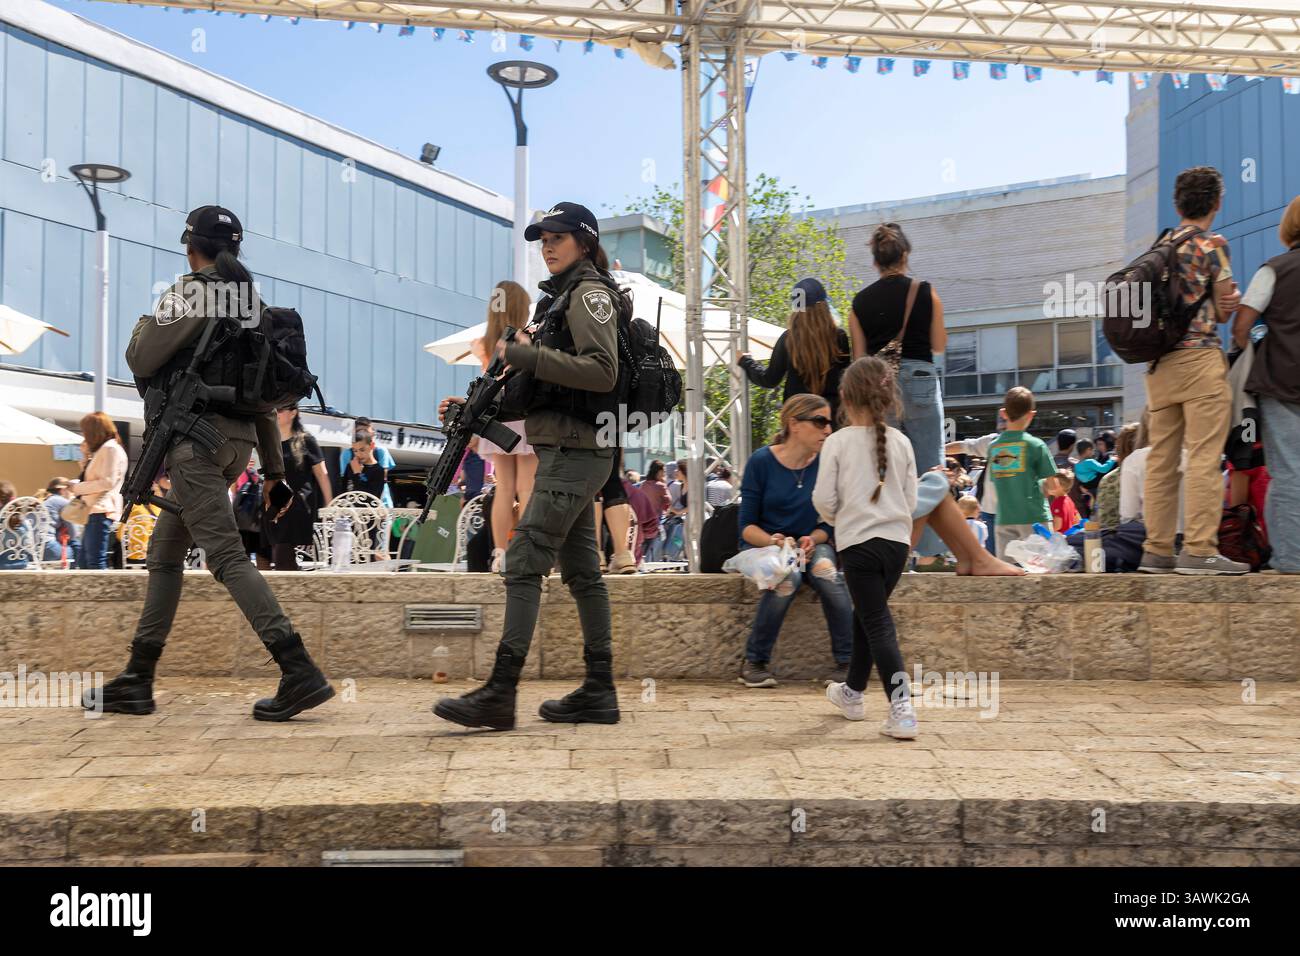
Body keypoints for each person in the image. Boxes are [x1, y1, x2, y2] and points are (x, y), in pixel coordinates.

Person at [86, 203, 334, 721]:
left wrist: (142, 321)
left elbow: (140, 357)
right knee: (164, 553)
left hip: (196, 446)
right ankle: (138, 676)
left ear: (189, 245)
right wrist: (271, 473)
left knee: (225, 558)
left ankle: (297, 668)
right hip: (234, 447)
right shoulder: (249, 301)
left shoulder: (191, 293)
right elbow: (263, 400)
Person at [433, 201, 621, 730]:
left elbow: (601, 372)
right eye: (543, 238)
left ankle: (500, 691)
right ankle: (599, 690)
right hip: (563, 447)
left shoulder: (590, 295)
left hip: (576, 453)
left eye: (559, 237)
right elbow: (545, 391)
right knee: (583, 573)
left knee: (522, 560)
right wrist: (472, 412)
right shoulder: (557, 302)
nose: (548, 245)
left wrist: (525, 355)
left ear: (584, 241)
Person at [1140, 166, 1249, 575]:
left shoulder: (1160, 245)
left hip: (1159, 364)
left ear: (1177, 203)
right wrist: (1231, 299)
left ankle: (1157, 550)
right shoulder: (1211, 245)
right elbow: (1223, 309)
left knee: (1161, 458)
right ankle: (1200, 549)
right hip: (1200, 361)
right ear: (1217, 204)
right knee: (1204, 456)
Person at [814, 357, 919, 738]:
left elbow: (824, 500)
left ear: (844, 396)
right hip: (896, 545)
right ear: (888, 396)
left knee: (876, 622)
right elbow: (910, 501)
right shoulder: (904, 442)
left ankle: (902, 707)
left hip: (858, 544)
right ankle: (853, 694)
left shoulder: (837, 442)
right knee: (868, 616)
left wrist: (844, 515)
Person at [737, 394, 854, 688]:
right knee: (788, 577)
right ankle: (755, 662)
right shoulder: (761, 461)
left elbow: (829, 522)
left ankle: (848, 663)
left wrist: (812, 539)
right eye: (820, 422)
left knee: (827, 573)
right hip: (766, 545)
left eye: (830, 422)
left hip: (810, 543)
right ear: (794, 425)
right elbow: (746, 527)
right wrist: (775, 542)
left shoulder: (827, 463)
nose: (828, 429)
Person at [850, 223, 948, 566]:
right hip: (921, 377)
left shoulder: (860, 302)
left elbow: (859, 360)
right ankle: (931, 553)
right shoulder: (925, 291)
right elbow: (938, 344)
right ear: (905, 255)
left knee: (888, 471)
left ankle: (892, 550)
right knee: (930, 468)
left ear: (875, 261)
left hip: (880, 386)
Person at [1234, 194, 1300, 572]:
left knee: (1287, 472)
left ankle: (1291, 559)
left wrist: (1261, 343)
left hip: (1280, 384)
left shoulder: (1273, 270)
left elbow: (1242, 326)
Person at [472, 280, 539, 574]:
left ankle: (500, 554)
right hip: (523, 419)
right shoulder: (526, 338)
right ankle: (524, 553)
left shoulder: (484, 343)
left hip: (494, 421)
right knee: (527, 489)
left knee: (504, 489)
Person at [739, 277, 851, 423]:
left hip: (798, 422)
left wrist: (745, 361)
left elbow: (769, 379)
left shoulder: (788, 339)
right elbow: (846, 381)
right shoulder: (840, 337)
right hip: (830, 421)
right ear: (824, 304)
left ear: (795, 310)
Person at [986, 387, 1057, 558]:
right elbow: (1053, 486)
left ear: (1003, 413)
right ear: (1031, 414)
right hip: (1034, 518)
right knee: (1043, 571)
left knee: (1007, 575)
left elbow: (997, 481)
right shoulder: (1036, 445)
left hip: (1003, 518)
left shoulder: (993, 447)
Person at [262, 405, 332, 571]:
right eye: (274, 410)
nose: (276, 413)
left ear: (294, 413)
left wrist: (330, 507)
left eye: (281, 410)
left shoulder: (306, 440)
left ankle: (289, 593)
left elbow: (322, 474)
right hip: (275, 503)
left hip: (298, 504)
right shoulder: (271, 441)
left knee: (282, 557)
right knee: (268, 556)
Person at [69, 412, 127, 569]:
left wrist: (77, 488)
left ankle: (102, 594)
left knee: (94, 562)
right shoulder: (108, 448)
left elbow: (108, 482)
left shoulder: (110, 449)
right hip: (96, 511)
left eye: (85, 430)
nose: (84, 434)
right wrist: (86, 456)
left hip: (101, 510)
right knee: (85, 562)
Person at [338, 417, 397, 507]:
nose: (363, 435)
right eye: (360, 432)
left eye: (367, 432)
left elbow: (378, 483)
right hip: (352, 510)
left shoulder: (381, 452)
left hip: (380, 504)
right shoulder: (347, 455)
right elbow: (344, 487)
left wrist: (357, 474)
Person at [41, 477, 79, 566]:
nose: (72, 493)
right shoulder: (63, 502)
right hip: (48, 548)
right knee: (76, 548)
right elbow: (74, 533)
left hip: (32, 550)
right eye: (70, 490)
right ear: (63, 490)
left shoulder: (44, 501)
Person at [341, 428, 388, 497]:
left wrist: (357, 474)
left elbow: (369, 499)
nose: (358, 454)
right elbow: (342, 492)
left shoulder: (378, 471)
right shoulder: (351, 466)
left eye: (362, 450)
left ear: (372, 446)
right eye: (355, 451)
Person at [641, 460, 672, 562]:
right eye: (664, 471)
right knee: (660, 540)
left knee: (645, 546)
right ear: (658, 472)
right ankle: (653, 563)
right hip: (656, 521)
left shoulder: (644, 485)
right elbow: (668, 502)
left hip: (643, 521)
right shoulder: (661, 485)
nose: (664, 474)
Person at [1045, 469, 1080, 534]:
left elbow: (1057, 526)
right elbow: (1077, 520)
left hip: (1061, 539)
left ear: (1059, 487)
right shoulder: (1069, 500)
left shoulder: (1058, 502)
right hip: (1070, 537)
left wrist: (1048, 533)